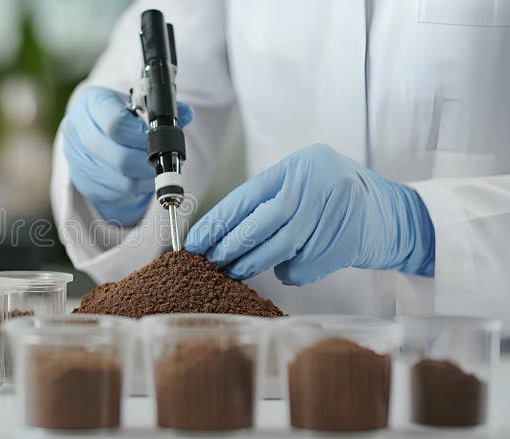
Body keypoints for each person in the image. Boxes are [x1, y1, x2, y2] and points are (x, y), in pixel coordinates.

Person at [50, 0, 510, 331]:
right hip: (277, 365)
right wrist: (113, 177)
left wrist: (424, 230)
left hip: (484, 368)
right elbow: (159, 59)